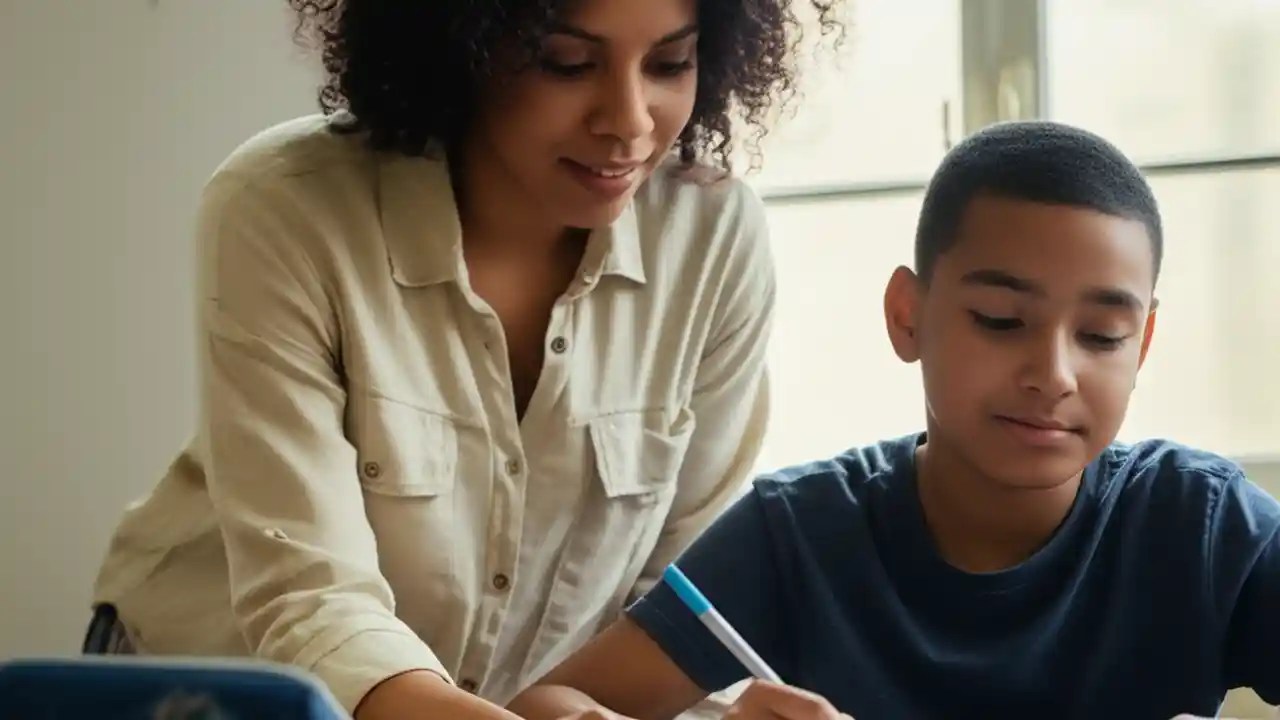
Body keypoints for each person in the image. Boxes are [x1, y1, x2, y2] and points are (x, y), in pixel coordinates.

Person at [87, 1, 844, 719]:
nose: (629, 121)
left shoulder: (713, 240)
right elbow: (311, 603)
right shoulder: (284, 209)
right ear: (461, 44)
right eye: (567, 63)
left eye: (670, 63)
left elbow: (674, 608)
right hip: (213, 694)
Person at [506, 121, 1280, 719]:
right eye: (1001, 319)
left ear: (1141, 343)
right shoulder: (800, 536)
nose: (1052, 375)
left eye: (1101, 336)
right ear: (908, 316)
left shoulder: (1197, 525)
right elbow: (547, 706)